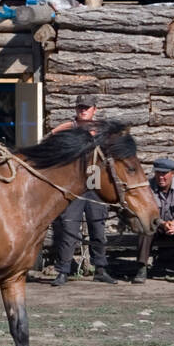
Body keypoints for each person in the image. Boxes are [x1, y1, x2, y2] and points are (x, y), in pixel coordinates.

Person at [50, 95, 114, 286]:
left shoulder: (103, 129)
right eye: (80, 107)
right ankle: (63, 270)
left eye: (86, 107)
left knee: (98, 227)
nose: (83, 110)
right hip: (74, 185)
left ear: (95, 109)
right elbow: (52, 138)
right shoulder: (69, 128)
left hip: (95, 183)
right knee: (69, 228)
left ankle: (100, 268)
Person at [134, 158, 174, 284]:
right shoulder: (147, 187)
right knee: (145, 225)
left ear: (173, 173)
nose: (161, 177)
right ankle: (141, 268)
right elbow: (146, 212)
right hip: (157, 224)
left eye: (164, 173)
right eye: (158, 173)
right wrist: (162, 223)